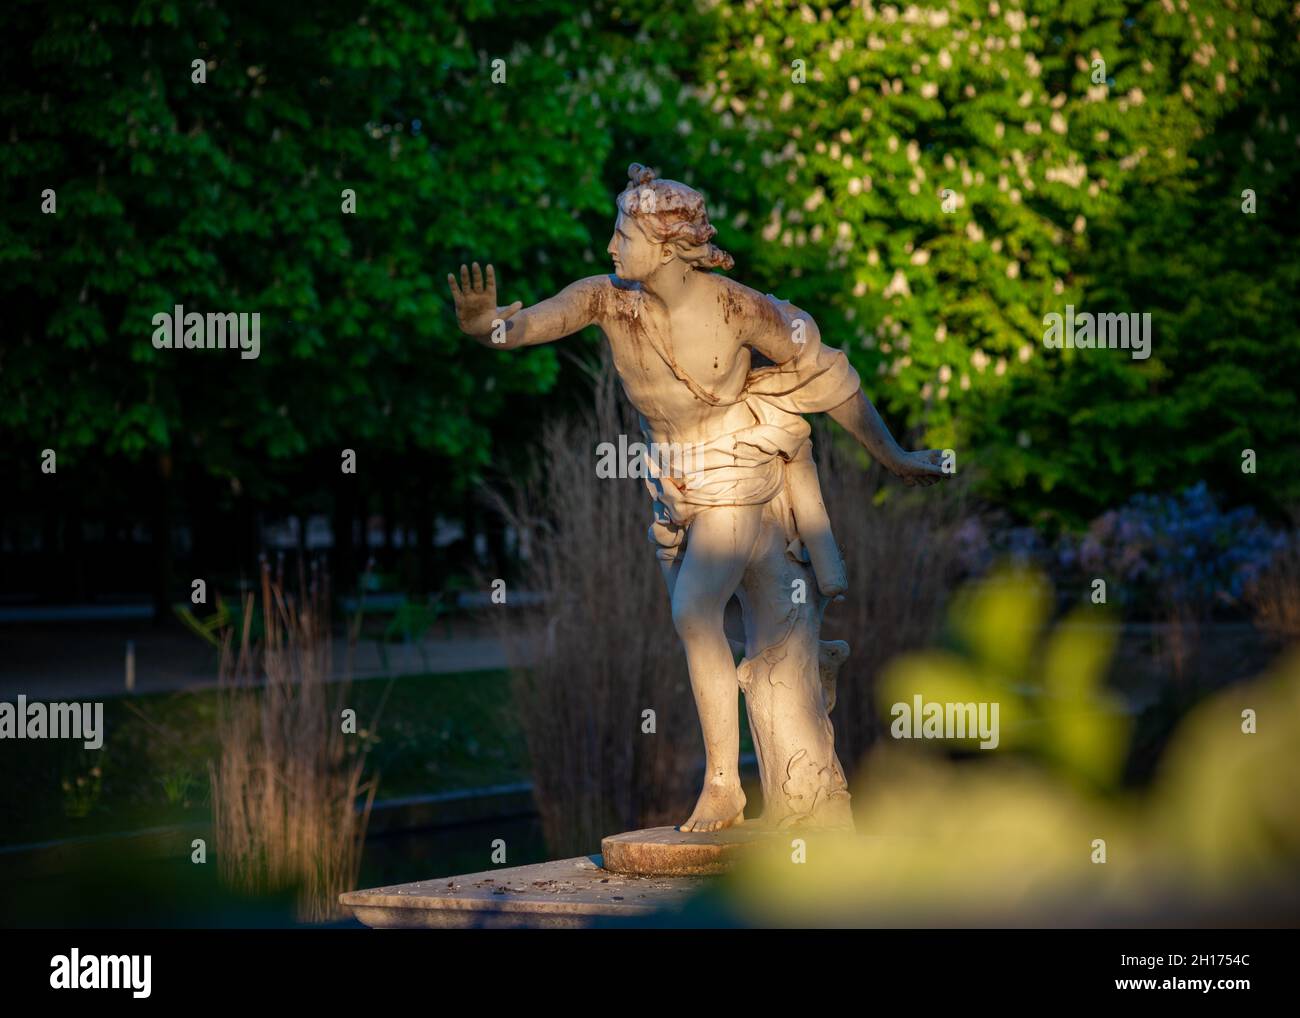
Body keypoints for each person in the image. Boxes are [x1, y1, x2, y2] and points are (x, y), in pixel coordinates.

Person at [449, 163, 945, 832]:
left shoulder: (736, 307)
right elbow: (530, 325)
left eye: (623, 233)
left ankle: (723, 787)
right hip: (674, 489)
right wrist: (487, 328)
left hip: (740, 475)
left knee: (693, 611)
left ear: (668, 244)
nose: (611, 247)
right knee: (781, 649)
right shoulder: (607, 299)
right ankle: (811, 799)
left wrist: (893, 456)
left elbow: (826, 372)